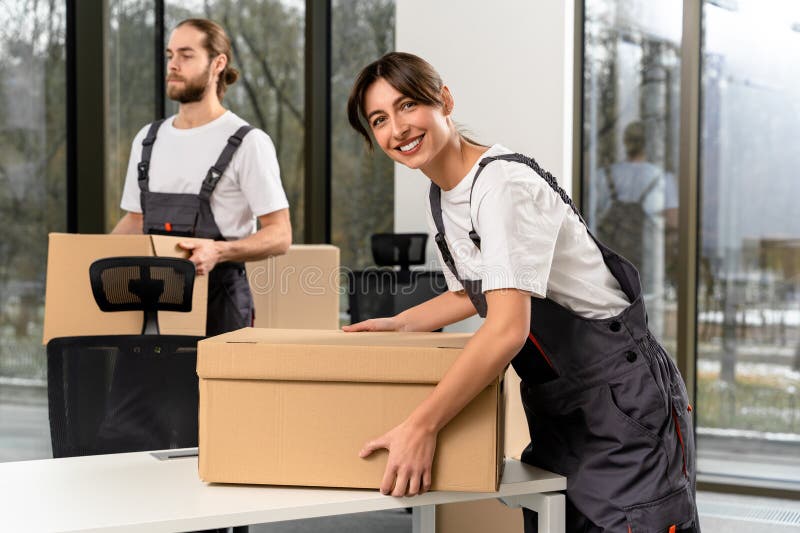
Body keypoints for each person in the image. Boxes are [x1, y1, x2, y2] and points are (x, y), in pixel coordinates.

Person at [344, 52, 699, 533]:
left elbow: (508, 328)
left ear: (444, 100)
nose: (397, 129)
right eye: (379, 119)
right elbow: (475, 293)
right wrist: (400, 323)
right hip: (558, 402)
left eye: (407, 106)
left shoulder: (501, 186)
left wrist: (421, 425)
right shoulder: (443, 193)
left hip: (620, 396)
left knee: (635, 523)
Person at [112, 18, 291, 336]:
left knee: (212, 388)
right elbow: (135, 221)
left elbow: (280, 234)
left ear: (218, 63)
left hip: (221, 308)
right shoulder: (147, 139)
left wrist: (219, 251)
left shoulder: (248, 142)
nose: (174, 65)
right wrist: (89, 264)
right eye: (170, 56)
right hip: (153, 310)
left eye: (186, 55)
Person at [593, 121, 679, 338]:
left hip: (610, 259)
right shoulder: (662, 179)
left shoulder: (604, 176)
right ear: (649, 145)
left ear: (625, 142)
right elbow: (674, 222)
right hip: (647, 261)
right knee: (647, 316)